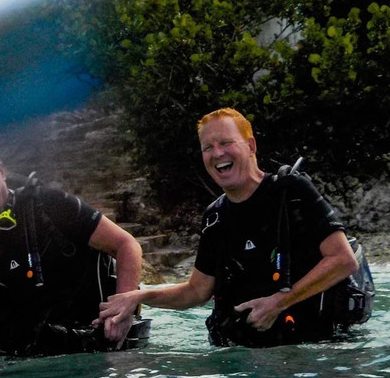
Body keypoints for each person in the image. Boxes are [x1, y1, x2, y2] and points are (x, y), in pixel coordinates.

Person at [97, 107, 370, 347]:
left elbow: (343, 260)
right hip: (238, 359)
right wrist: (139, 295)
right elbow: (197, 291)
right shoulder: (215, 216)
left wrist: (278, 303)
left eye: (226, 142)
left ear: (251, 146)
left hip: (307, 355)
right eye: (208, 147)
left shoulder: (292, 192)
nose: (217, 153)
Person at [0, 144, 149, 357]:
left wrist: (123, 311)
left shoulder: (50, 205)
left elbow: (127, 245)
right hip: (11, 369)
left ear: (2, 172)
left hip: (89, 356)